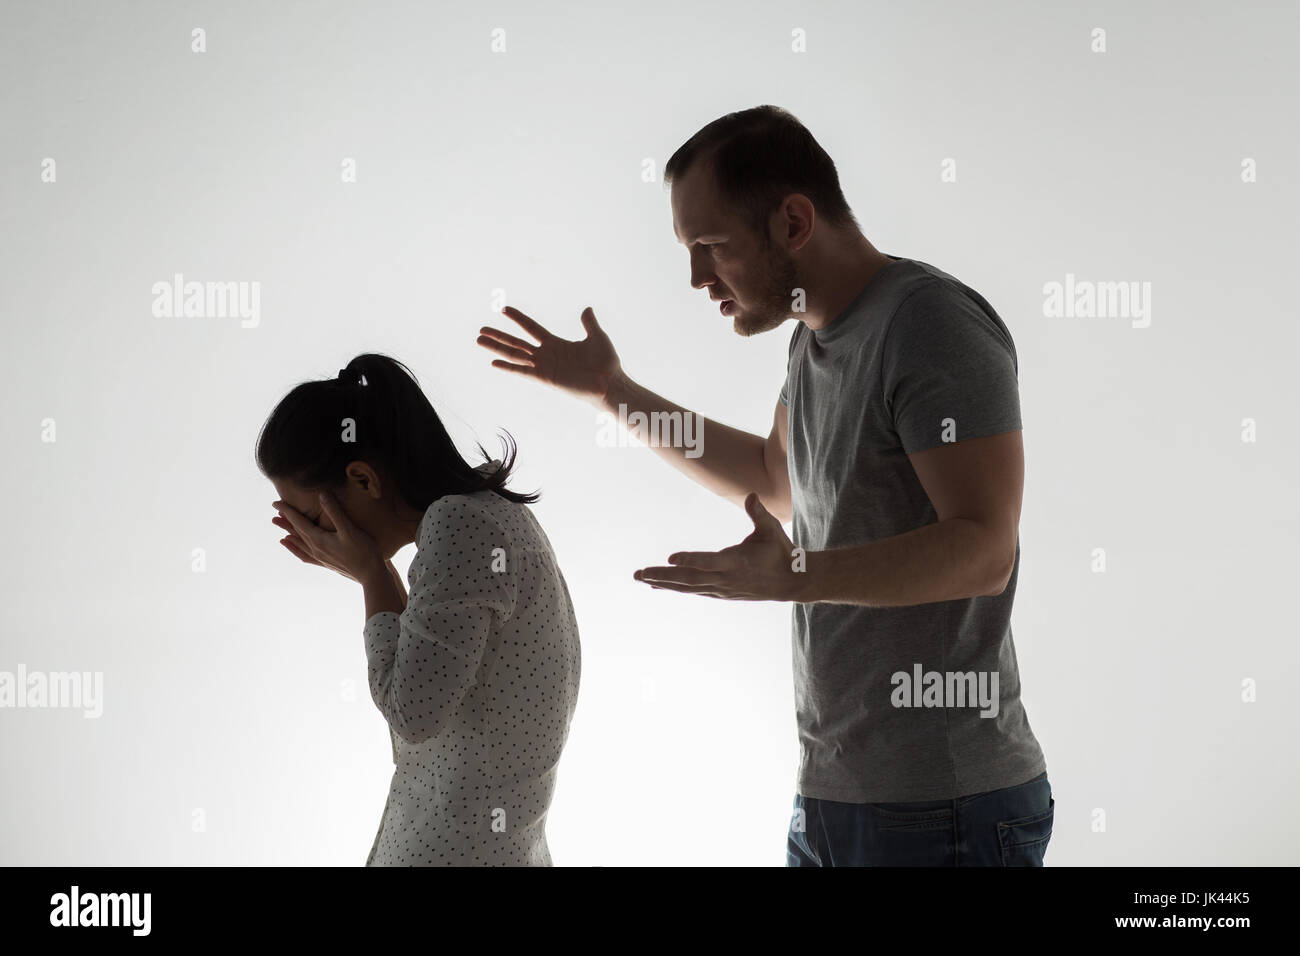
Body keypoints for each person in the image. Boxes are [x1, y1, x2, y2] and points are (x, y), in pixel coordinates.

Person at [476, 105, 1052, 866]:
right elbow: (773, 480)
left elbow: (984, 548)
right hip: (833, 795)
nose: (695, 278)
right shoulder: (812, 344)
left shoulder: (930, 324)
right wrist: (613, 392)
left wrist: (796, 576)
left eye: (711, 246)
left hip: (944, 807)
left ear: (792, 222)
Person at [255, 353, 581, 866]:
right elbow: (433, 726)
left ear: (363, 480)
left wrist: (372, 575)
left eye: (314, 515)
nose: (316, 536)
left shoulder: (460, 526)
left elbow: (413, 713)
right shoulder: (494, 518)